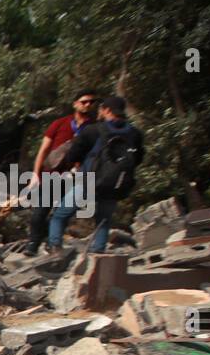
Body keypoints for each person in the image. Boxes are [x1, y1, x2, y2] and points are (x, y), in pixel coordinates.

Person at [48, 95, 144, 254]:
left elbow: (73, 155)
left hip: (88, 182)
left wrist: (78, 164)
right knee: (103, 221)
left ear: (106, 110)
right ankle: (98, 254)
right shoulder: (134, 134)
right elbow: (138, 158)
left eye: (100, 108)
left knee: (59, 215)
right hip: (115, 185)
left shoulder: (93, 130)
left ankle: (55, 249)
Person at [26, 89, 98, 254]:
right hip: (50, 176)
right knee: (39, 212)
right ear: (75, 104)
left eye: (92, 102)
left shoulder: (95, 129)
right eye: (84, 101)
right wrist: (35, 174)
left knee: (61, 214)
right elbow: (43, 150)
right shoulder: (60, 124)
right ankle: (33, 243)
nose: (88, 105)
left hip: (75, 179)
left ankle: (53, 245)